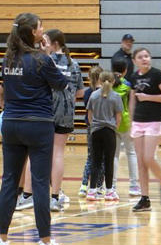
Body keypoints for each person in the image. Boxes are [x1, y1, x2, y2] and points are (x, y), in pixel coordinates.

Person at [0, 12, 71, 245]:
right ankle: (46, 243)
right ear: (32, 33)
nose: (43, 31)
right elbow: (62, 84)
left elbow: (4, 89)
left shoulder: (8, 59)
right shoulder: (42, 59)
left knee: (9, 181)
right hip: (38, 125)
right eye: (40, 28)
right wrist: (49, 55)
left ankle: (1, 242)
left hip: (11, 123)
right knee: (39, 183)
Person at [128, 47, 161, 212]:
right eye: (141, 57)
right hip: (138, 122)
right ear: (135, 61)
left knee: (148, 158)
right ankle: (144, 198)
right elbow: (132, 101)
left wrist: (148, 97)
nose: (145, 59)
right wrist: (131, 120)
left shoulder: (157, 74)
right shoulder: (133, 77)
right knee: (140, 163)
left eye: (147, 56)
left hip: (154, 120)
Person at [44, 29, 85, 210]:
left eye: (45, 42)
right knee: (58, 153)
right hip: (66, 112)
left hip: (45, 111)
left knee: (39, 153)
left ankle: (29, 194)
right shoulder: (74, 64)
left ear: (55, 44)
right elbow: (80, 92)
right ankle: (55, 195)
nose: (42, 45)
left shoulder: (46, 60)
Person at [86, 71, 124, 201]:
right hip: (109, 131)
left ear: (100, 81)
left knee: (95, 161)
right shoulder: (116, 96)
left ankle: (91, 191)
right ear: (113, 81)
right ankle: (108, 191)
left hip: (96, 131)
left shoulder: (93, 95)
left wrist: (93, 127)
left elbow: (89, 115)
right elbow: (118, 118)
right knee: (109, 162)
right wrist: (114, 128)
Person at [110, 59, 140, 197]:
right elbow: (133, 104)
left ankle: (112, 186)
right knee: (131, 153)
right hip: (126, 121)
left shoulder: (107, 84)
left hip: (111, 121)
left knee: (114, 155)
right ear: (125, 70)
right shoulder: (128, 85)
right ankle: (134, 186)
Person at [79, 65, 104, 197]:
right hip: (101, 126)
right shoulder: (103, 93)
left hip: (90, 126)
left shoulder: (87, 92)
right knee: (102, 158)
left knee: (90, 157)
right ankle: (99, 186)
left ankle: (83, 186)